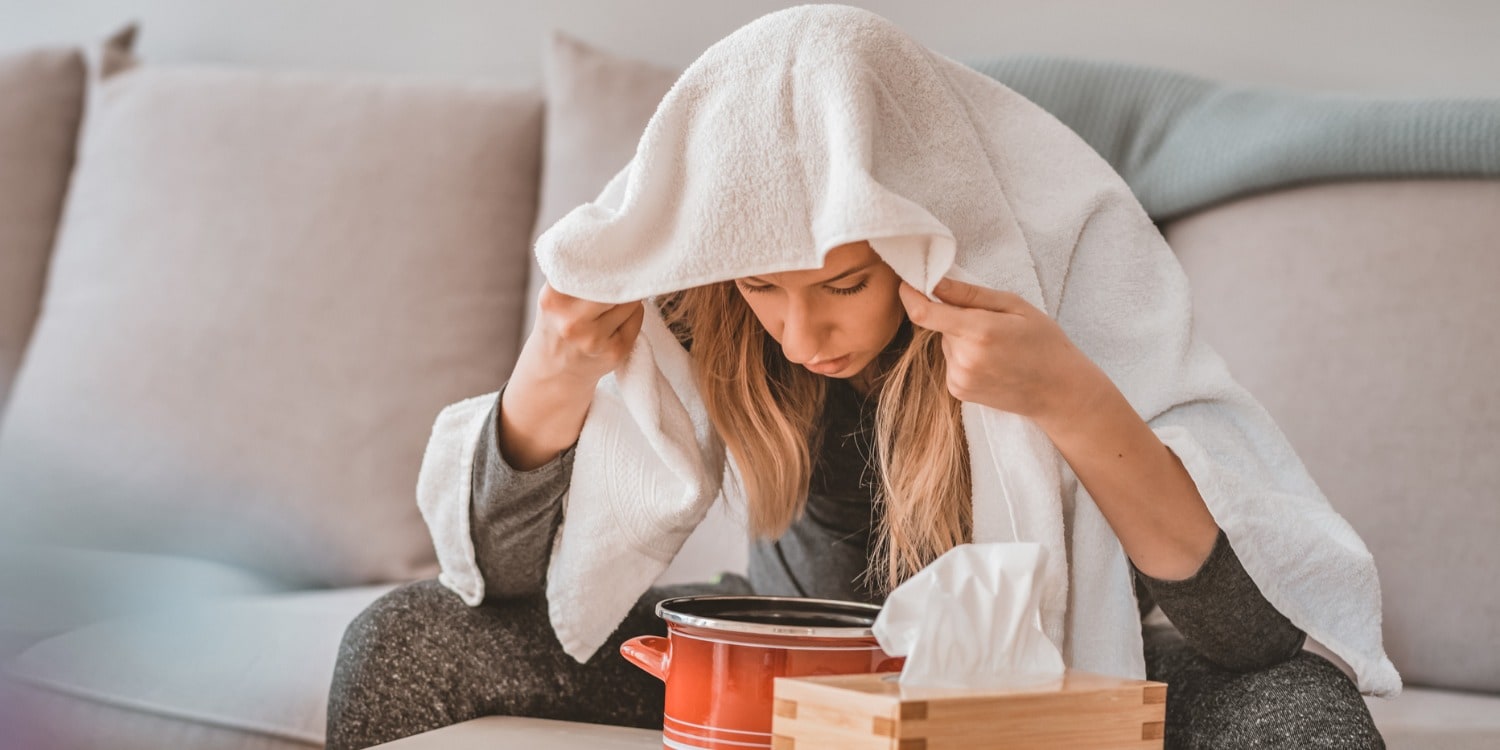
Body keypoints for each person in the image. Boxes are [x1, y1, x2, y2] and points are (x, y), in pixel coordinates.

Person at [324, 240, 1384, 750]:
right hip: (787, 665)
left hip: (1044, 669)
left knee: (1303, 713)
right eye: (765, 286)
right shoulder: (706, 318)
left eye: (842, 285)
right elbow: (500, 582)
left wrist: (1074, 402)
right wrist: (547, 384)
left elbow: (1248, 634)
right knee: (407, 640)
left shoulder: (1038, 296)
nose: (802, 333)